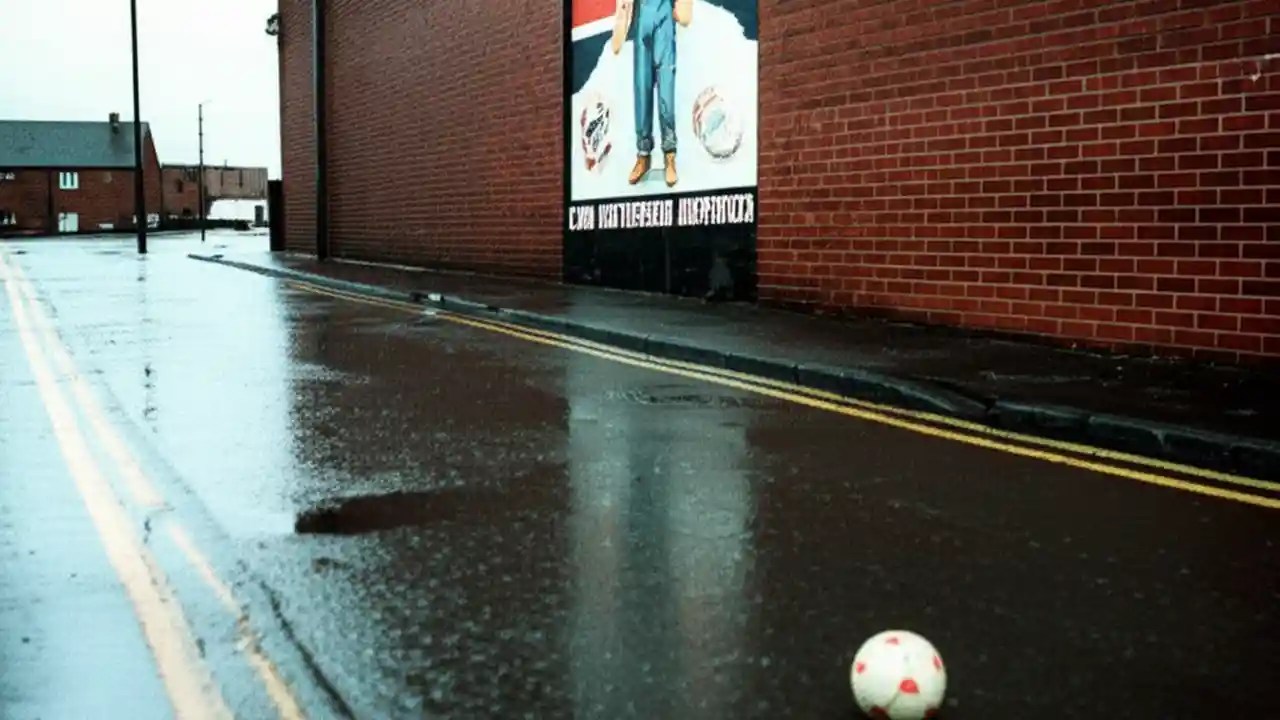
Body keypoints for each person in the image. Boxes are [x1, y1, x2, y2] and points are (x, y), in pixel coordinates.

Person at [611, 0, 692, 188]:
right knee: (642, 87)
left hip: (664, 19)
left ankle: (669, 155)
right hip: (642, 22)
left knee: (666, 89)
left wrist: (682, 9)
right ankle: (643, 155)